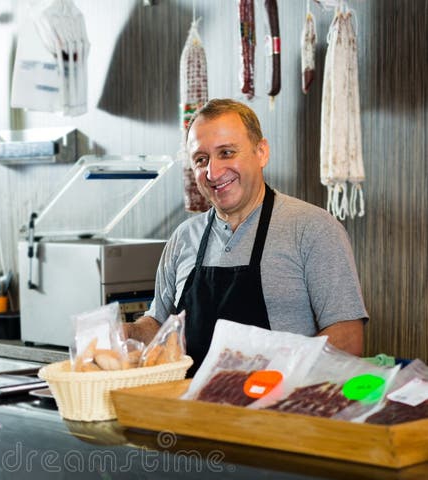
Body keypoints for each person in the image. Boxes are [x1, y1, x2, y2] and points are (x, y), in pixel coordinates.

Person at [128, 99, 368, 372]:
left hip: (278, 407)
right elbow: (158, 324)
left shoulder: (313, 229)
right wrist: (126, 334)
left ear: (261, 152)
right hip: (192, 409)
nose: (213, 172)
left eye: (227, 153)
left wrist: (281, 380)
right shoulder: (183, 238)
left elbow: (347, 338)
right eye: (201, 160)